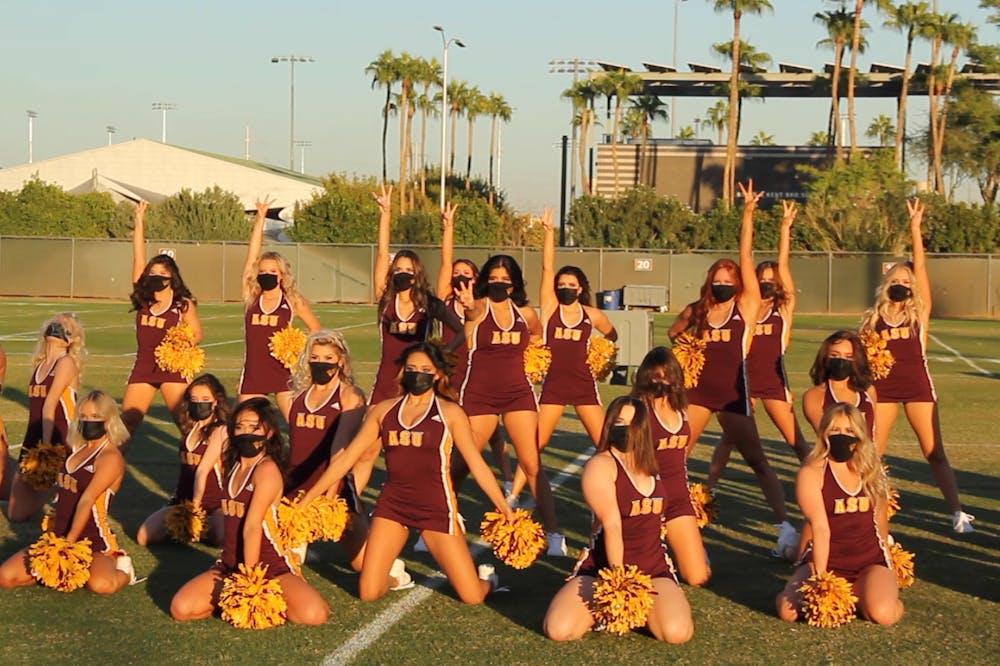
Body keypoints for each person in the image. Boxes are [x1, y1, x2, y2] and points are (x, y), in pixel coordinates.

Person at [299, 342, 512, 604]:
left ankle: (486, 581)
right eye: (411, 368)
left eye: (424, 369)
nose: (417, 374)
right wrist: (308, 499)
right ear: (402, 371)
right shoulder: (384, 410)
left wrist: (504, 507)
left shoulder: (449, 412)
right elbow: (348, 459)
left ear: (436, 375)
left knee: (472, 597)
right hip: (393, 506)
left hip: (435, 508)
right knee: (368, 592)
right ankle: (396, 576)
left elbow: (476, 464)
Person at [667, 181, 797, 556]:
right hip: (698, 394)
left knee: (757, 460)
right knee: (677, 457)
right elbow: (675, 331)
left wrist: (748, 213)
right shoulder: (702, 309)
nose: (724, 285)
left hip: (734, 394)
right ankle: (677, 526)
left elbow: (745, 252)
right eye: (718, 281)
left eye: (730, 281)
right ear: (711, 282)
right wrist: (685, 348)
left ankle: (785, 527)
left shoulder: (747, 306)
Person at [860, 198, 974, 534]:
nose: (904, 285)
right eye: (898, 280)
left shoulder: (918, 314)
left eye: (908, 282)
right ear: (886, 284)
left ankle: (957, 512)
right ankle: (871, 508)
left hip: (917, 387)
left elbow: (922, 271)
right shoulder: (872, 318)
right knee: (874, 453)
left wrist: (915, 229)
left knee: (934, 451)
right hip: (883, 390)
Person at [543, 396, 694, 643]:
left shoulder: (653, 464)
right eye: (620, 422)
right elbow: (612, 525)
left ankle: (640, 609)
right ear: (610, 425)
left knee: (676, 633)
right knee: (559, 630)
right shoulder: (601, 465)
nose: (626, 430)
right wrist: (618, 584)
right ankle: (612, 609)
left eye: (633, 423)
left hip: (653, 569)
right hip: (604, 570)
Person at [170, 398, 329, 625]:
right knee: (181, 608)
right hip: (229, 564)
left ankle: (271, 594)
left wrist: (251, 582)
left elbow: (253, 526)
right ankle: (233, 599)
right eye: (240, 426)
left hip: (269, 565)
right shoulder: (232, 466)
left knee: (314, 615)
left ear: (270, 432)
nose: (246, 432)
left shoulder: (267, 470)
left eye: (254, 427)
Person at [455, 253, 566, 555]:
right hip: (480, 395)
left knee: (532, 464)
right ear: (484, 281)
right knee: (463, 462)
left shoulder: (525, 314)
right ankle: (442, 520)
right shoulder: (479, 309)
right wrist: (466, 303)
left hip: (519, 393)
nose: (499, 284)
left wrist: (535, 361)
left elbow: (538, 337)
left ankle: (554, 534)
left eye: (505, 279)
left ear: (514, 282)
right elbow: (469, 310)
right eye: (493, 279)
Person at [507, 210, 617, 505]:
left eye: (572, 285)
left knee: (605, 443)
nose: (566, 288)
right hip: (554, 387)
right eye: (562, 285)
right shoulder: (551, 309)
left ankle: (619, 492)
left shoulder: (592, 315)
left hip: (584, 386)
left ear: (581, 289)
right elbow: (546, 267)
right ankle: (513, 494)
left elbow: (612, 335)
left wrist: (601, 354)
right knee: (536, 444)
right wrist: (548, 232)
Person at [359, 185, 464, 491]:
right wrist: (385, 213)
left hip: (418, 384)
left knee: (418, 454)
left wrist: (442, 353)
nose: (402, 273)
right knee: (367, 450)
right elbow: (381, 253)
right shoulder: (385, 300)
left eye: (409, 269)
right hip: (385, 383)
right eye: (398, 268)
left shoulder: (429, 304)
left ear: (417, 274)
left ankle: (431, 504)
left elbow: (461, 329)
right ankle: (350, 509)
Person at [707, 201, 809, 491]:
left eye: (769, 280)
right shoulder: (747, 308)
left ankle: (823, 483)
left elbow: (785, 265)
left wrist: (785, 228)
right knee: (728, 438)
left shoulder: (783, 308)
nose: (765, 283)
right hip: (744, 382)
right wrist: (748, 214)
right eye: (760, 279)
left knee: (796, 441)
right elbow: (746, 255)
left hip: (773, 382)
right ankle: (709, 488)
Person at [776, 403, 903, 626]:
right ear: (824, 433)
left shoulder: (871, 469)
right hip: (826, 560)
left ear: (859, 436)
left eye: (848, 431)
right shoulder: (812, 473)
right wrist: (822, 581)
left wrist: (889, 559)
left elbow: (881, 520)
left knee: (883, 614)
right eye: (835, 430)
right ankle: (856, 593)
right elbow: (820, 528)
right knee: (789, 613)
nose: (841, 437)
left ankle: (868, 590)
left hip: (868, 561)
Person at [0, 390, 136, 594]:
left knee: (101, 585)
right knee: (6, 577)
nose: (88, 421)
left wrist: (69, 543)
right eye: (83, 416)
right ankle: (62, 571)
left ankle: (124, 570)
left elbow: (87, 500)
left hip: (93, 540)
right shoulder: (75, 450)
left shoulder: (110, 458)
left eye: (95, 417)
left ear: (108, 420)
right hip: (58, 534)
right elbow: (58, 492)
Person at [435, 202, 514, 491]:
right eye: (457, 273)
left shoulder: (480, 304)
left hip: (476, 369)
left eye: (466, 273)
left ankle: (506, 482)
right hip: (449, 370)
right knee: (449, 426)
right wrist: (448, 228)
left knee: (491, 432)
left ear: (476, 278)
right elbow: (445, 264)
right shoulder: (445, 299)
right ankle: (447, 476)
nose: (460, 276)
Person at [285, 330, 368, 570]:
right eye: (315, 357)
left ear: (341, 361)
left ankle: (395, 573)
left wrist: (330, 495)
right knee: (282, 560)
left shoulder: (350, 395)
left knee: (365, 564)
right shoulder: (300, 392)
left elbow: (340, 449)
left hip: (334, 484)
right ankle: (298, 548)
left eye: (329, 358)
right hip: (295, 484)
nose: (321, 363)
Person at [123, 200, 202, 444]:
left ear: (172, 278)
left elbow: (197, 334)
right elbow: (138, 258)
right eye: (153, 274)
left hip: (172, 369)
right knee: (124, 427)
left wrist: (181, 343)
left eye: (162, 275)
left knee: (187, 426)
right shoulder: (144, 298)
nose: (156, 278)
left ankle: (205, 473)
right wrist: (139, 221)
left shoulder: (182, 304)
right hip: (144, 367)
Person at [630, 347, 710, 587]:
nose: (660, 382)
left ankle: (692, 550)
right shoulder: (637, 409)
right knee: (641, 576)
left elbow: (681, 455)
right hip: (646, 500)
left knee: (698, 578)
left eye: (665, 376)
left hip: (677, 500)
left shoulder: (683, 409)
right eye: (653, 376)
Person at [237, 196, 321, 421]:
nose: (267, 275)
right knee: (244, 423)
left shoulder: (292, 300)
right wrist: (260, 219)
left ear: (282, 275)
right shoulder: (252, 297)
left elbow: (316, 330)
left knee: (296, 424)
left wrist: (298, 353)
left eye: (273, 272)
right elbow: (251, 257)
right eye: (263, 271)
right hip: (254, 373)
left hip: (284, 374)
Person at [4, 313, 84, 522]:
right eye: (56, 323)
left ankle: (64, 490)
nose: (57, 327)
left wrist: (45, 451)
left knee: (63, 507)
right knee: (16, 513)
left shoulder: (66, 362)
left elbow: (50, 406)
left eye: (65, 327)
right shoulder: (40, 364)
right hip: (34, 434)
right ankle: (52, 492)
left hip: (58, 437)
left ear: (72, 339)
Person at [136, 374, 230, 546]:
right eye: (194, 399)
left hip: (214, 503)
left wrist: (194, 509)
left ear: (216, 402)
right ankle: (190, 530)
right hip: (183, 501)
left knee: (221, 539)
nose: (199, 404)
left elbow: (202, 471)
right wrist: (179, 505)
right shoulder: (190, 429)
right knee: (144, 537)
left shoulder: (221, 431)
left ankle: (201, 527)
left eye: (205, 399)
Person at [802, 330, 877, 439]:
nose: (841, 361)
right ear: (825, 357)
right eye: (835, 355)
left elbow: (874, 433)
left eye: (848, 357)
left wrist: (872, 455)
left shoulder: (868, 391)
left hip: (866, 454)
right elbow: (825, 437)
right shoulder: (814, 395)